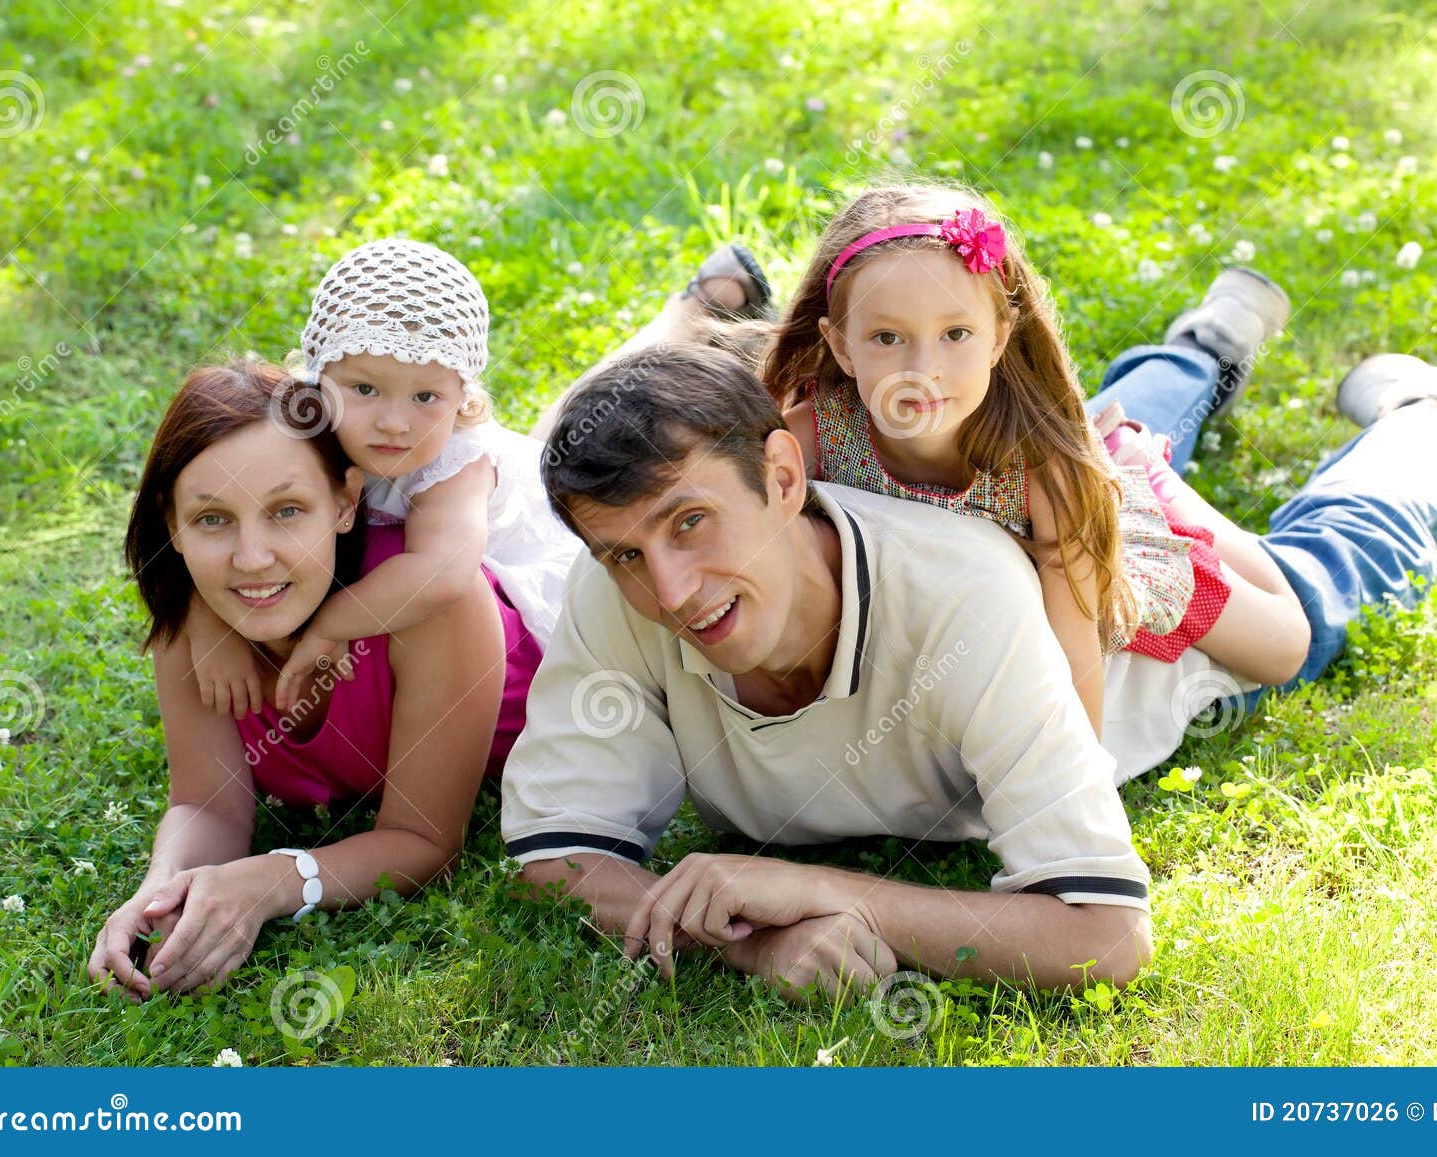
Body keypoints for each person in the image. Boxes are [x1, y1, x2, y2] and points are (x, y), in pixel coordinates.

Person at [502, 344, 1154, 998]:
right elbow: (558, 853)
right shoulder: (614, 588)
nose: (671, 592)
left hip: (1148, 628)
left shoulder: (969, 596)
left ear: (783, 479)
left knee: (1164, 465)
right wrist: (756, 939)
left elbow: (1107, 936)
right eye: (625, 555)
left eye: (690, 521)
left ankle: (1203, 345)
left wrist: (819, 890)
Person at [756, 183, 1310, 737]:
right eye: (886, 337)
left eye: (955, 333)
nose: (923, 368)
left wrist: (1075, 794)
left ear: (999, 336)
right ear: (842, 346)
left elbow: (1075, 650)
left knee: (1284, 649)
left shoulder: (1046, 470)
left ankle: (1148, 473)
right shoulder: (813, 436)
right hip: (1025, 528)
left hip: (1098, 515)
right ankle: (1175, 377)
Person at [88, 361, 543, 999]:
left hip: (534, 626)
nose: (251, 560)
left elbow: (422, 841)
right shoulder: (194, 617)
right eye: (213, 519)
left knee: (590, 435)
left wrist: (269, 883)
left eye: (288, 510)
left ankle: (693, 302)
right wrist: (161, 892)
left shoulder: (439, 606)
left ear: (346, 501)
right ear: (173, 524)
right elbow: (207, 804)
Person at [180, 239, 580, 719]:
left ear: (462, 399)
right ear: (318, 376)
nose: (395, 422)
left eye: (426, 397)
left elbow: (440, 574)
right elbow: (212, 512)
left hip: (501, 623)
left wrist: (330, 626)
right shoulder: (300, 423)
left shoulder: (456, 464)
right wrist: (207, 625)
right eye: (365, 388)